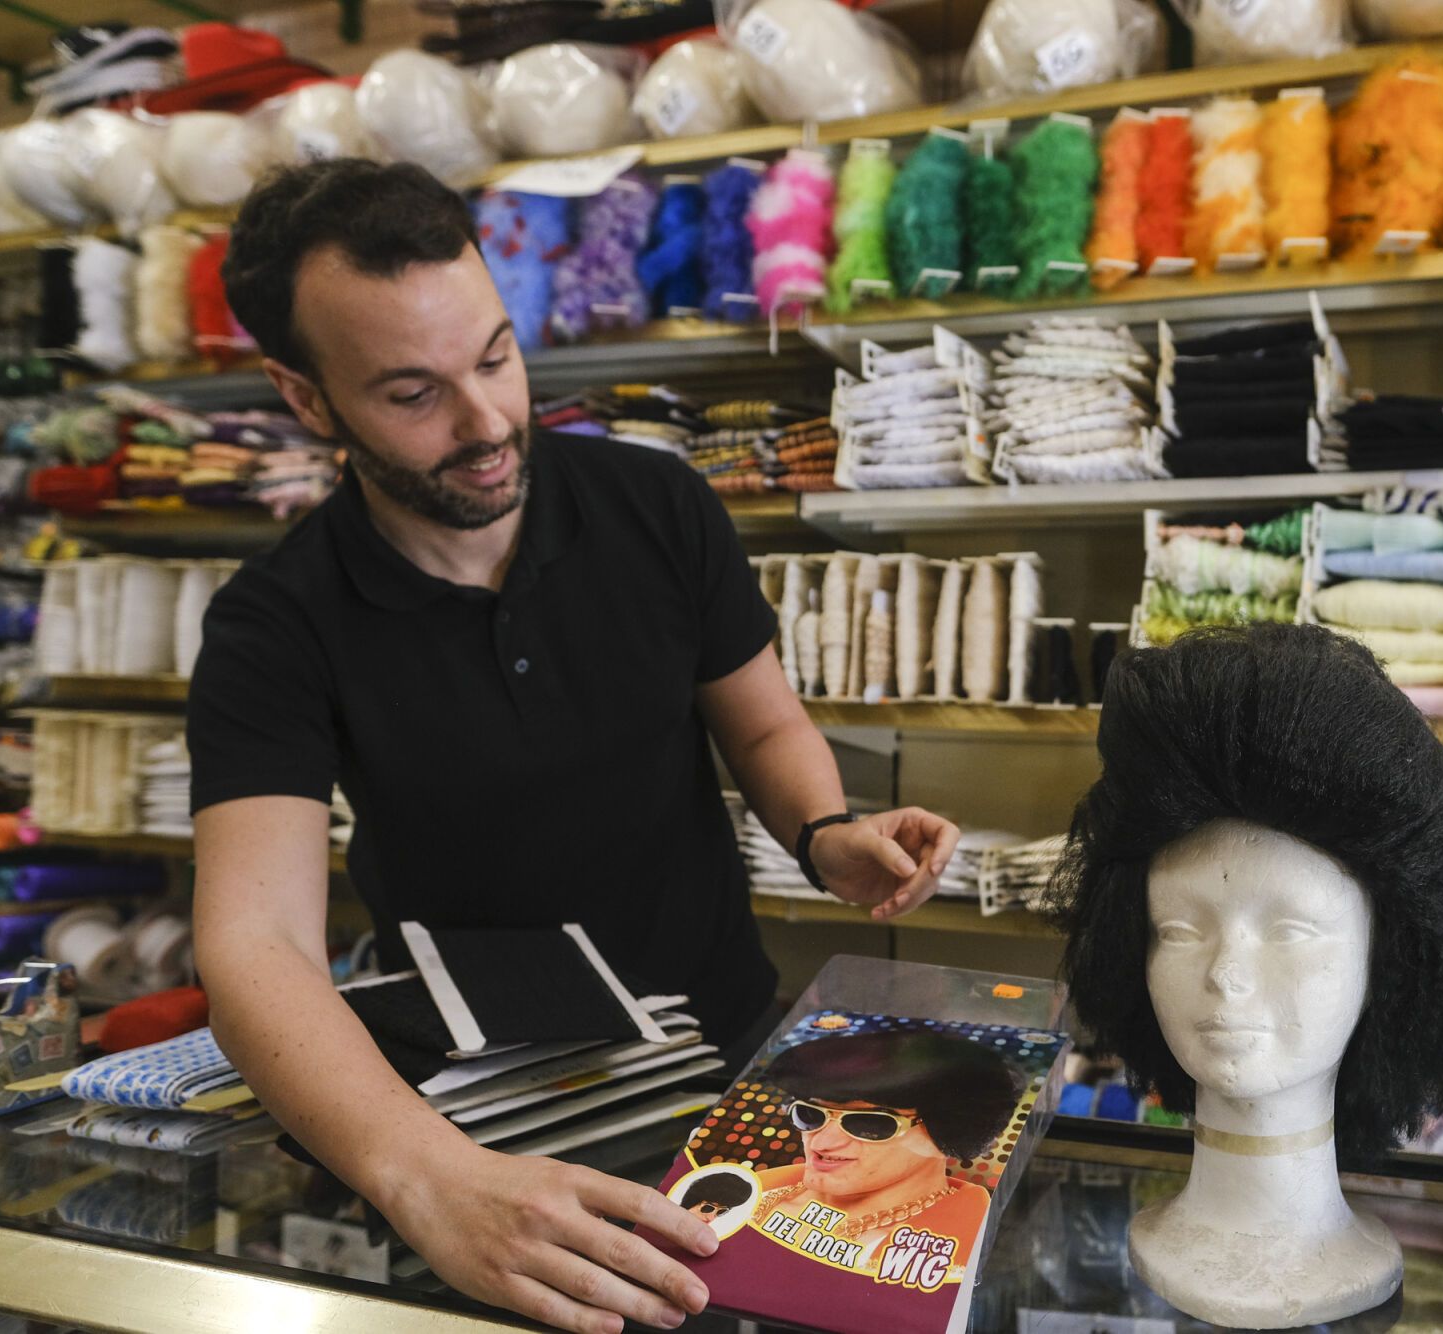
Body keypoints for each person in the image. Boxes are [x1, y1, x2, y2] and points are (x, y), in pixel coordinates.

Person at [187, 158, 962, 1334]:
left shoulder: (658, 505)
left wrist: (824, 828)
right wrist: (423, 1171)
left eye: (495, 355)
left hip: (718, 1055)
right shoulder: (274, 622)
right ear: (306, 398)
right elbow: (256, 942)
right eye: (411, 393)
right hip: (479, 1112)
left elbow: (757, 717)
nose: (488, 421)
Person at [748, 1029, 1024, 1269]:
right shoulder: (749, 1196)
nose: (822, 1143)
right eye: (809, 1115)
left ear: (948, 1132)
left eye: (869, 1124)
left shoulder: (958, 1246)